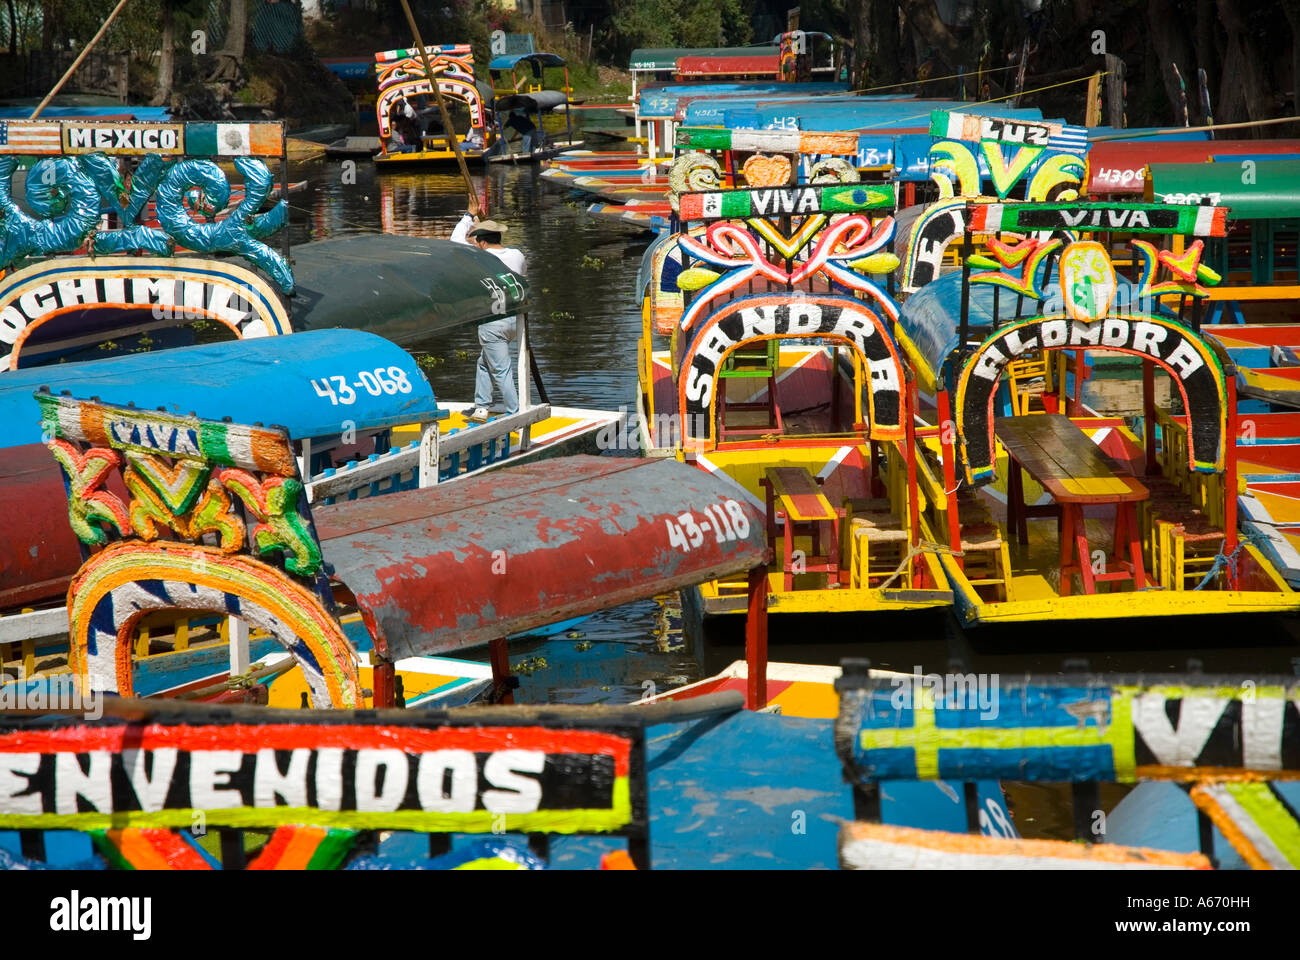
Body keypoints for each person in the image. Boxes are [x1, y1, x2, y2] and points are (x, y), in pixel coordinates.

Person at [451, 203, 525, 421]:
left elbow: (455, 240)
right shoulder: (517, 255)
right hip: (515, 321)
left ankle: (515, 413)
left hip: (493, 322)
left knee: (501, 370)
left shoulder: (479, 257)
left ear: (482, 243)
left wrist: (468, 215)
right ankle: (481, 406)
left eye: (477, 241)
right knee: (485, 362)